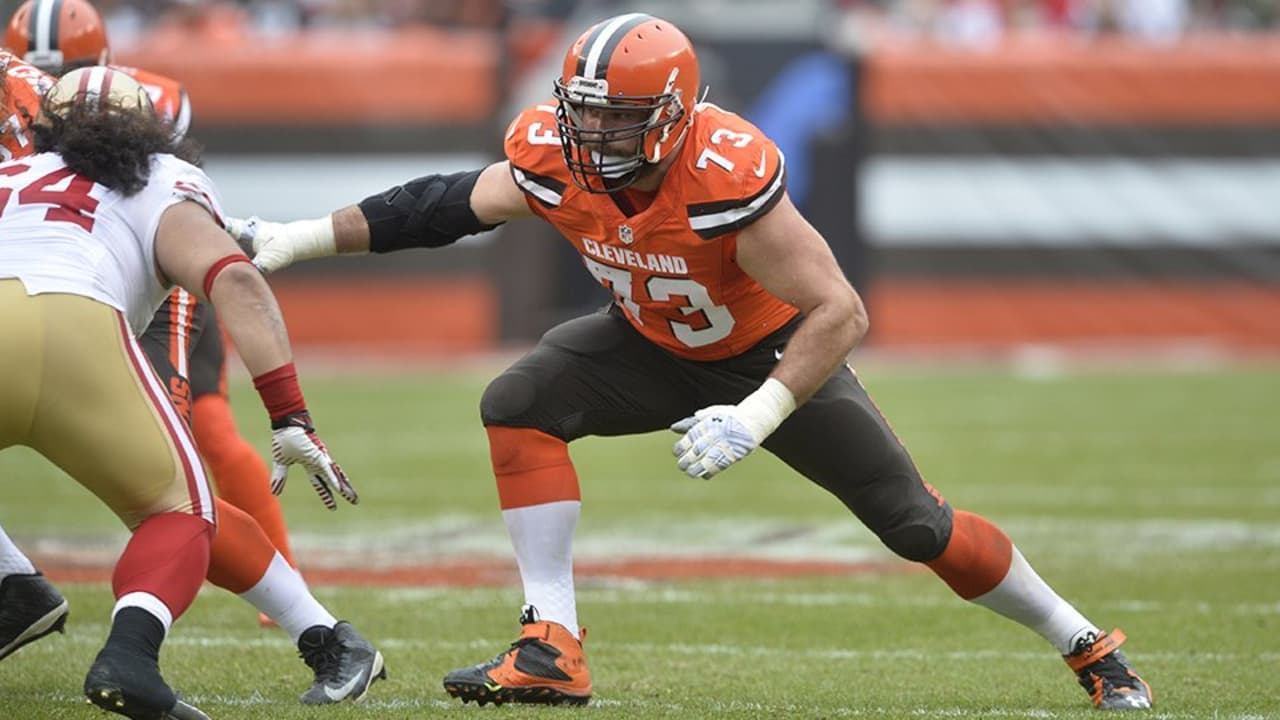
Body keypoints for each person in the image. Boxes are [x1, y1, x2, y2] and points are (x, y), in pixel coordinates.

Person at [231, 13, 1153, 711]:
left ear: (674, 118)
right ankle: (552, 644)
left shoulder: (722, 174)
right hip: (647, 342)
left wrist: (756, 414)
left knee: (917, 526)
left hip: (771, 354)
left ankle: (1084, 642)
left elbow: (841, 309)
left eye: (619, 120)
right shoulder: (558, 154)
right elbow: (437, 208)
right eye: (583, 115)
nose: (595, 137)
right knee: (518, 402)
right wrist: (298, 238)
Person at [0, 49, 386, 707]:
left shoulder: (12, 173)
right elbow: (233, 277)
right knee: (183, 511)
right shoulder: (161, 175)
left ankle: (15, 586)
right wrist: (289, 411)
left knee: (178, 497)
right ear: (149, 132)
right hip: (74, 323)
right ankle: (128, 656)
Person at [5, 0, 300, 623]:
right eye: (35, 66)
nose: (52, 83)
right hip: (51, 280)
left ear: (107, 60)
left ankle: (284, 583)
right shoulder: (12, 92)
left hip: (151, 277)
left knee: (200, 433)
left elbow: (168, 209)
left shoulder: (147, 98)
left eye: (73, 67)